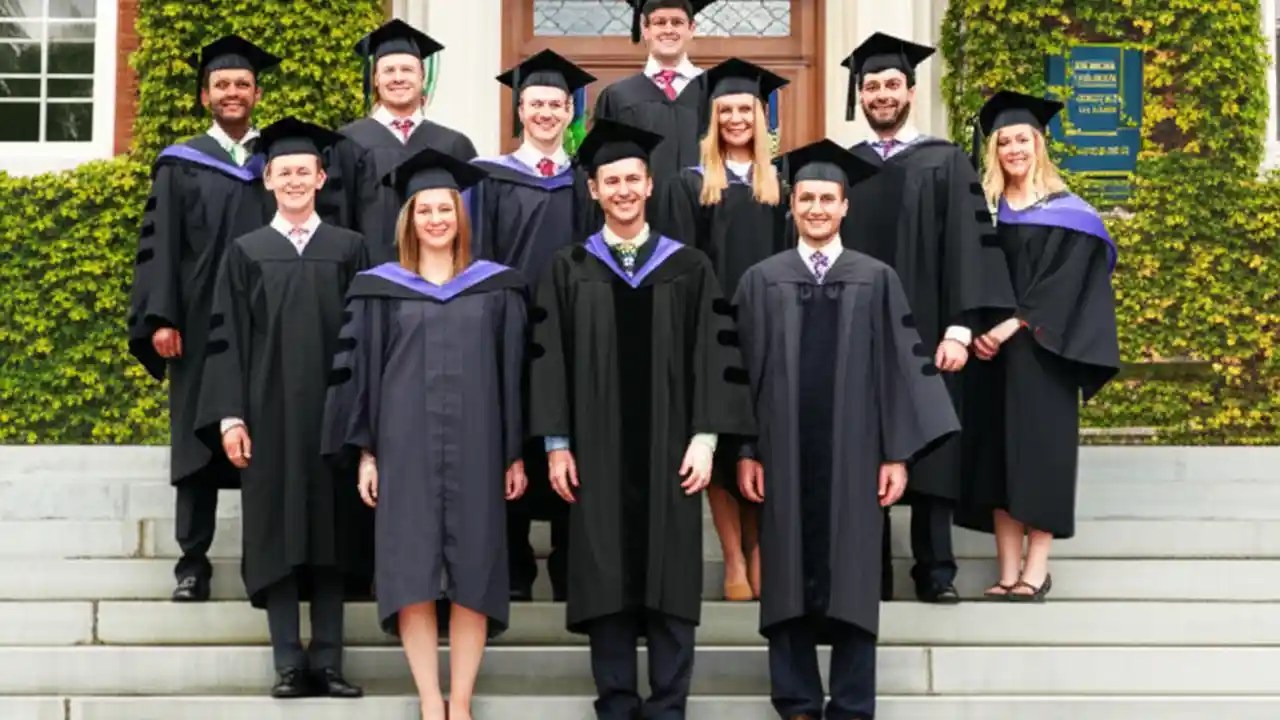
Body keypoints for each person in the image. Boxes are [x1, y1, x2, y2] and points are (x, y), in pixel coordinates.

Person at [528, 119, 755, 720]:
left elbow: (713, 353)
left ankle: (669, 705)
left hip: (670, 449)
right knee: (604, 576)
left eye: (633, 178)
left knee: (671, 576)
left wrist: (707, 439)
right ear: (594, 191)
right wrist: (556, 444)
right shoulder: (569, 267)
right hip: (594, 452)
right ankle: (618, 703)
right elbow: (549, 361)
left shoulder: (689, 267)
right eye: (612, 181)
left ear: (649, 186)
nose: (624, 189)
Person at [734, 139, 960, 720]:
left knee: (855, 573)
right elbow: (739, 375)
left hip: (858, 455)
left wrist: (897, 455)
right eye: (806, 197)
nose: (816, 208)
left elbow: (900, 369)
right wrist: (747, 450)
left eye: (826, 199)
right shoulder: (761, 280)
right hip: (781, 454)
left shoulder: (877, 278)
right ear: (791, 204)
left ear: (844, 207)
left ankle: (854, 702)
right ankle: (798, 699)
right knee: (785, 576)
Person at [323, 148, 528, 720]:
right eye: (425, 210)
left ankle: (460, 700)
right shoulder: (378, 289)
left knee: (475, 574)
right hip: (403, 447)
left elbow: (513, 375)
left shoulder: (497, 289)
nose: (436, 219)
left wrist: (514, 453)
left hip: (481, 446)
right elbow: (360, 376)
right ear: (408, 220)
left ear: (462, 218)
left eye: (446, 209)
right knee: (410, 569)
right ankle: (429, 698)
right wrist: (366, 451)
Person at [194, 118, 370, 699]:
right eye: (283, 171)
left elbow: (364, 337)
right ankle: (288, 662)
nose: (295, 180)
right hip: (267, 418)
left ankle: (330, 661)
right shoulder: (246, 252)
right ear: (267, 179)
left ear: (321, 177)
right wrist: (230, 417)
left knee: (331, 537)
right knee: (277, 537)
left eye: (304, 171)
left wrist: (361, 420)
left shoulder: (350, 248)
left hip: (332, 417)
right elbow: (227, 341)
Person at [840, 32, 1016, 603]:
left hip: (932, 335)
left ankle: (934, 572)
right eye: (872, 86)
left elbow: (969, 247)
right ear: (859, 96)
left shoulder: (946, 161)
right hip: (858, 335)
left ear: (911, 91)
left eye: (892, 84)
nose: (882, 94)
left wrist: (962, 328)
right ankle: (867, 572)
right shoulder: (841, 169)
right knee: (863, 447)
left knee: (934, 450)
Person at [126, 34, 279, 604]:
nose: (232, 92)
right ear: (204, 96)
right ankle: (192, 562)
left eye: (242, 84)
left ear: (256, 93)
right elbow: (161, 244)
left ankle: (261, 565)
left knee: (265, 436)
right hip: (194, 323)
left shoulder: (278, 160)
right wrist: (161, 316)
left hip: (264, 324)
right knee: (195, 447)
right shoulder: (180, 162)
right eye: (223, 85)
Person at [958, 91, 1121, 602]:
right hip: (989, 358)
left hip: (1046, 355)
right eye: (1003, 141)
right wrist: (976, 328)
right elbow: (970, 274)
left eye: (1021, 139)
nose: (1013, 148)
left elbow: (1066, 285)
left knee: (1040, 458)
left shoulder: (1069, 214)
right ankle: (1008, 571)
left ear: (1039, 143)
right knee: (997, 459)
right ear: (994, 151)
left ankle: (1037, 569)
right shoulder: (984, 211)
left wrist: (1013, 325)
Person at [654, 57, 790, 602]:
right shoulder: (689, 186)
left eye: (745, 110)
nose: (736, 118)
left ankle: (760, 550)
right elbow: (680, 265)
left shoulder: (783, 185)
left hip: (774, 332)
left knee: (766, 444)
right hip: (711, 331)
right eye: (726, 110)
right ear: (712, 120)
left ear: (761, 118)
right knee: (720, 437)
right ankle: (733, 557)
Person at [470, 49, 598, 602]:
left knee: (576, 437)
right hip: (510, 326)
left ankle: (572, 568)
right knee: (511, 436)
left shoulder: (588, 182)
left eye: (555, 104)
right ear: (520, 111)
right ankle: (516, 568)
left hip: (574, 330)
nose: (546, 112)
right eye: (535, 104)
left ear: (570, 113)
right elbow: (476, 255)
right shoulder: (490, 178)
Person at [339, 19, 478, 262]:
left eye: (407, 70)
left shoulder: (455, 145)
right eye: (389, 71)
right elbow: (338, 219)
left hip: (439, 281)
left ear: (422, 77)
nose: (398, 78)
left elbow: (471, 221)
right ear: (375, 80)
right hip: (371, 277)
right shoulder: (347, 142)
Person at [593, 0, 715, 188]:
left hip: (705, 209)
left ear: (691, 28)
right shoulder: (618, 97)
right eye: (659, 22)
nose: (668, 30)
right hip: (639, 213)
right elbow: (603, 167)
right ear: (645, 29)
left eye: (677, 22)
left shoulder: (713, 90)